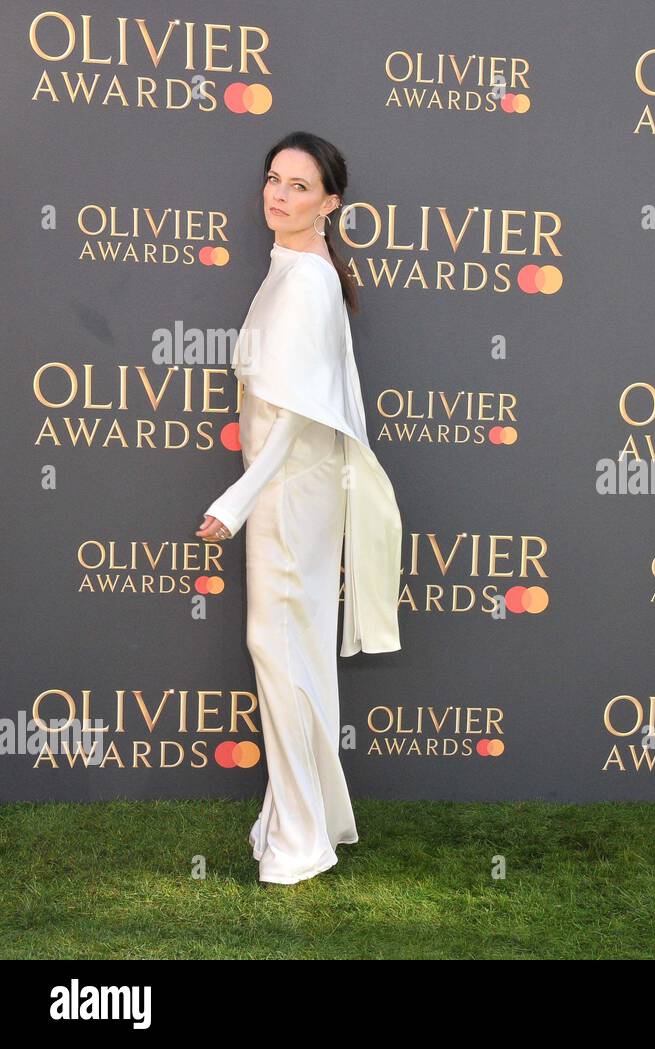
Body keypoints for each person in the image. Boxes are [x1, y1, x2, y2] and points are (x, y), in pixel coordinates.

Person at [196, 132, 402, 885]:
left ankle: (303, 835)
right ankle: (304, 817)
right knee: (290, 652)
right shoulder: (293, 268)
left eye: (299, 186)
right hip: (288, 487)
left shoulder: (310, 281)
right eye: (273, 180)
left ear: (331, 202)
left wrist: (240, 498)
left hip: (289, 490)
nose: (278, 195)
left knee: (278, 647)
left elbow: (296, 415)